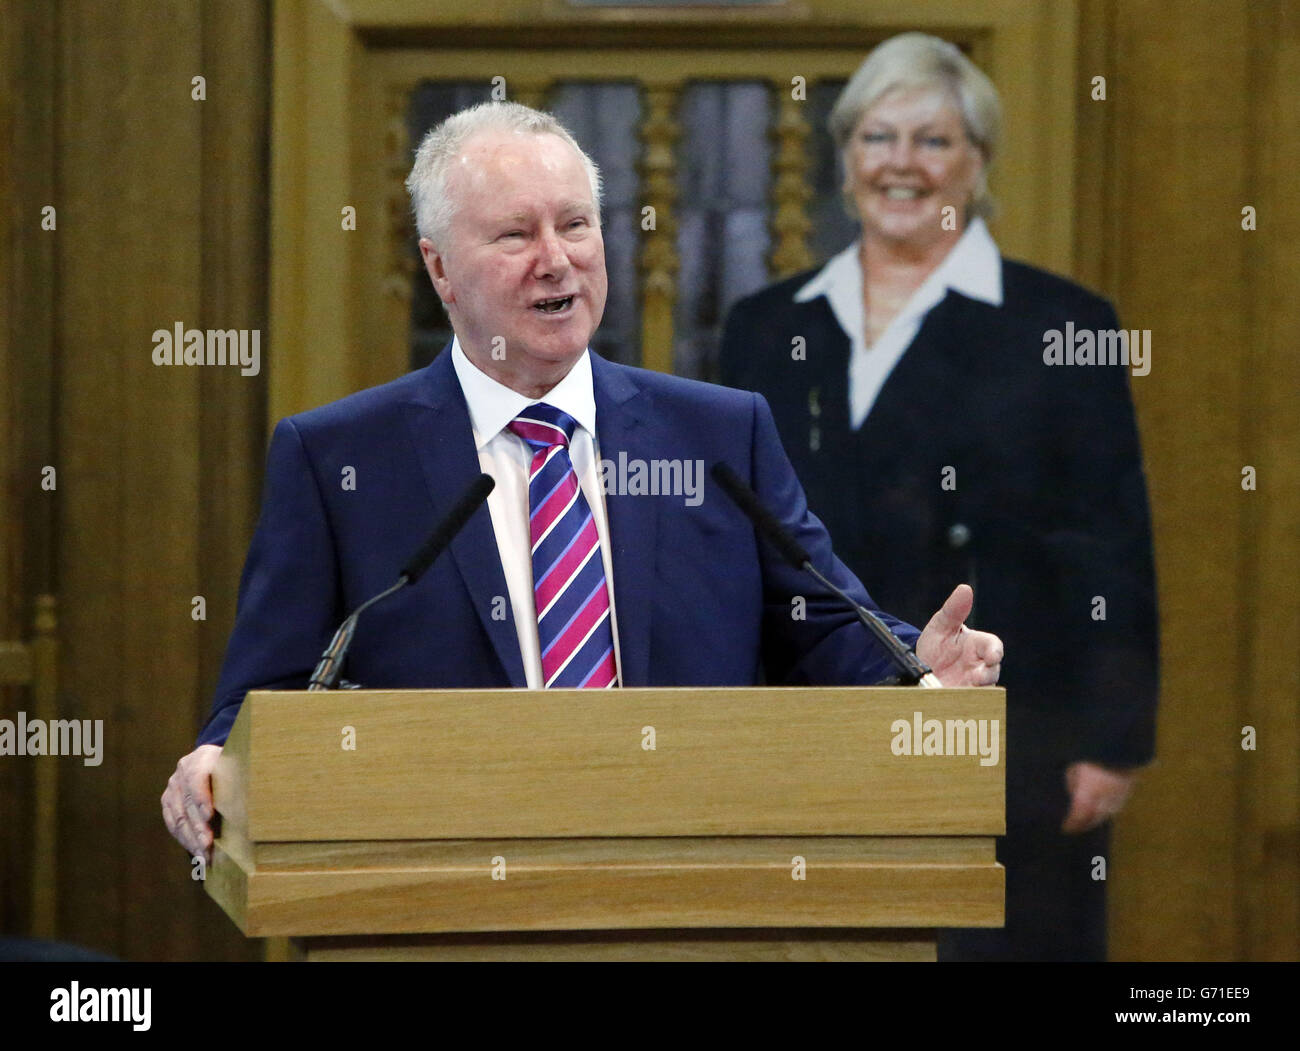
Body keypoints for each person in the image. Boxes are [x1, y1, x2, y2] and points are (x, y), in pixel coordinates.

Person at [162, 100, 1003, 866]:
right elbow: (267, 694)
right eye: (515, 235)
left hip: (690, 884)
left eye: (575, 225)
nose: (556, 261)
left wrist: (914, 666)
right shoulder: (338, 458)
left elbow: (821, 624)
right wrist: (216, 759)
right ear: (440, 269)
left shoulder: (718, 435)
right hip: (437, 891)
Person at [719, 33, 1158, 961]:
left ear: (979, 160)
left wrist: (1112, 740)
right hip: (813, 734)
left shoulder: (1065, 325)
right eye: (878, 137)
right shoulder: (768, 327)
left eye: (933, 140)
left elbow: (1110, 546)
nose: (902, 165)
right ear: (846, 157)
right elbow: (736, 541)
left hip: (1013, 734)